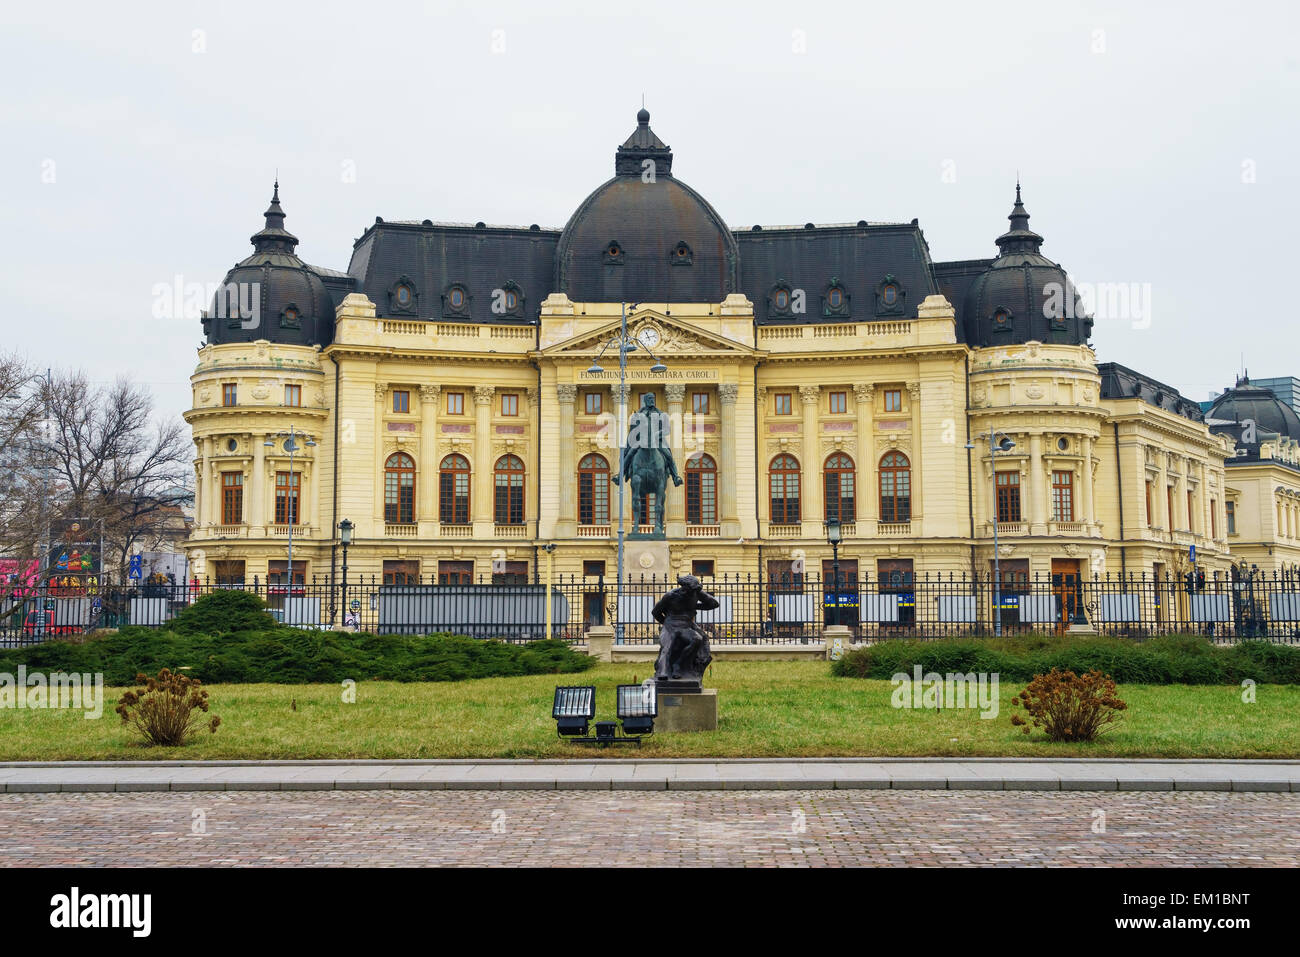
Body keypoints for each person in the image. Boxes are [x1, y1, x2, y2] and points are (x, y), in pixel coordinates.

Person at [651, 574, 719, 683]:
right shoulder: (670, 596)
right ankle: (663, 671)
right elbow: (655, 612)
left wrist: (695, 606)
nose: (692, 593)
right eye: (690, 590)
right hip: (670, 625)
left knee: (697, 639)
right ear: (684, 588)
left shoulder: (695, 592)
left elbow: (714, 604)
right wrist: (666, 624)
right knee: (667, 647)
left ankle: (678, 664)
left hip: (686, 626)